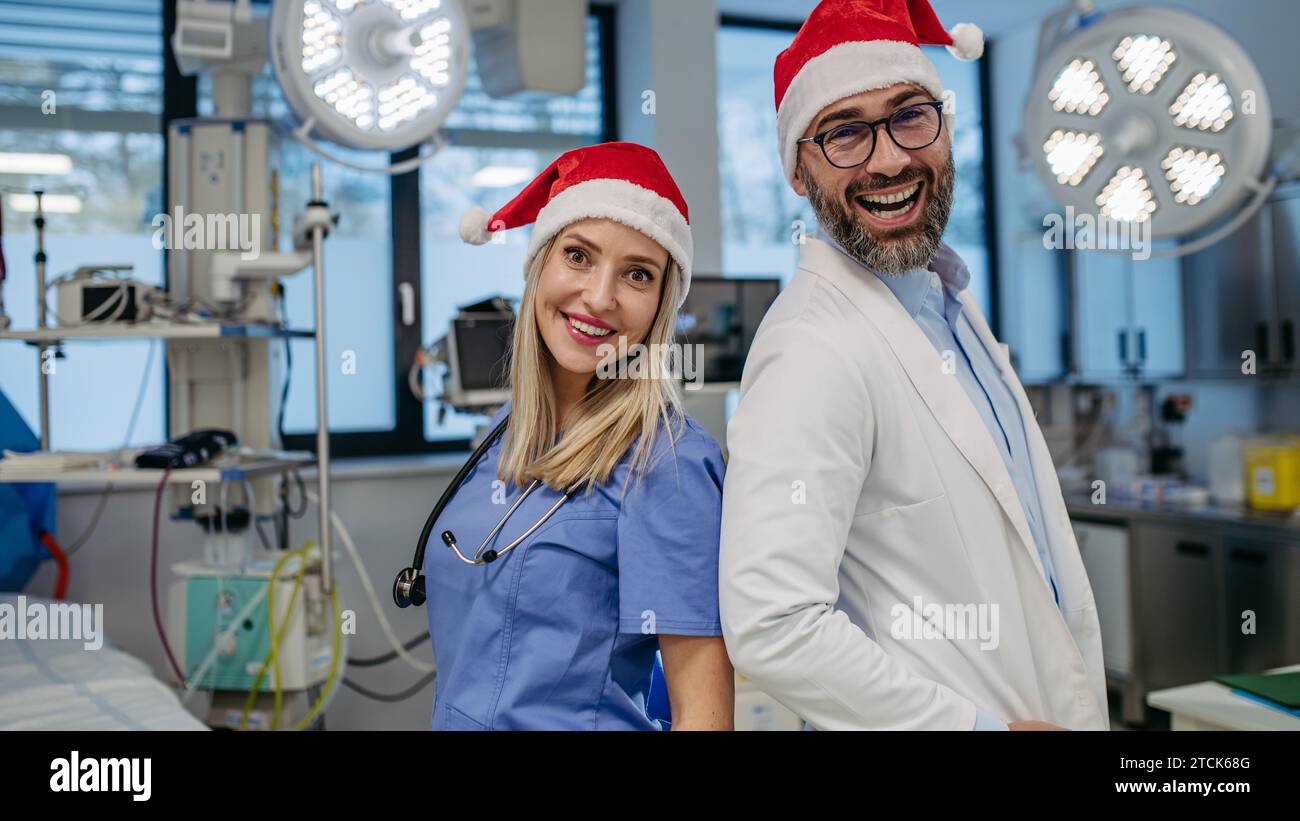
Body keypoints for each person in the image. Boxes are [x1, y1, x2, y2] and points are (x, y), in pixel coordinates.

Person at [719, 0, 1108, 731]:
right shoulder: (813, 347)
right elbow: (773, 623)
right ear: (799, 173)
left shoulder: (949, 306)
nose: (890, 158)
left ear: (946, 128)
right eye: (843, 134)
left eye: (909, 115)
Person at [424, 142, 733, 730]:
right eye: (578, 255)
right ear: (540, 265)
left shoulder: (666, 464)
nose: (598, 297)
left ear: (661, 306)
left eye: (637, 274)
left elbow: (703, 714)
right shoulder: (505, 433)